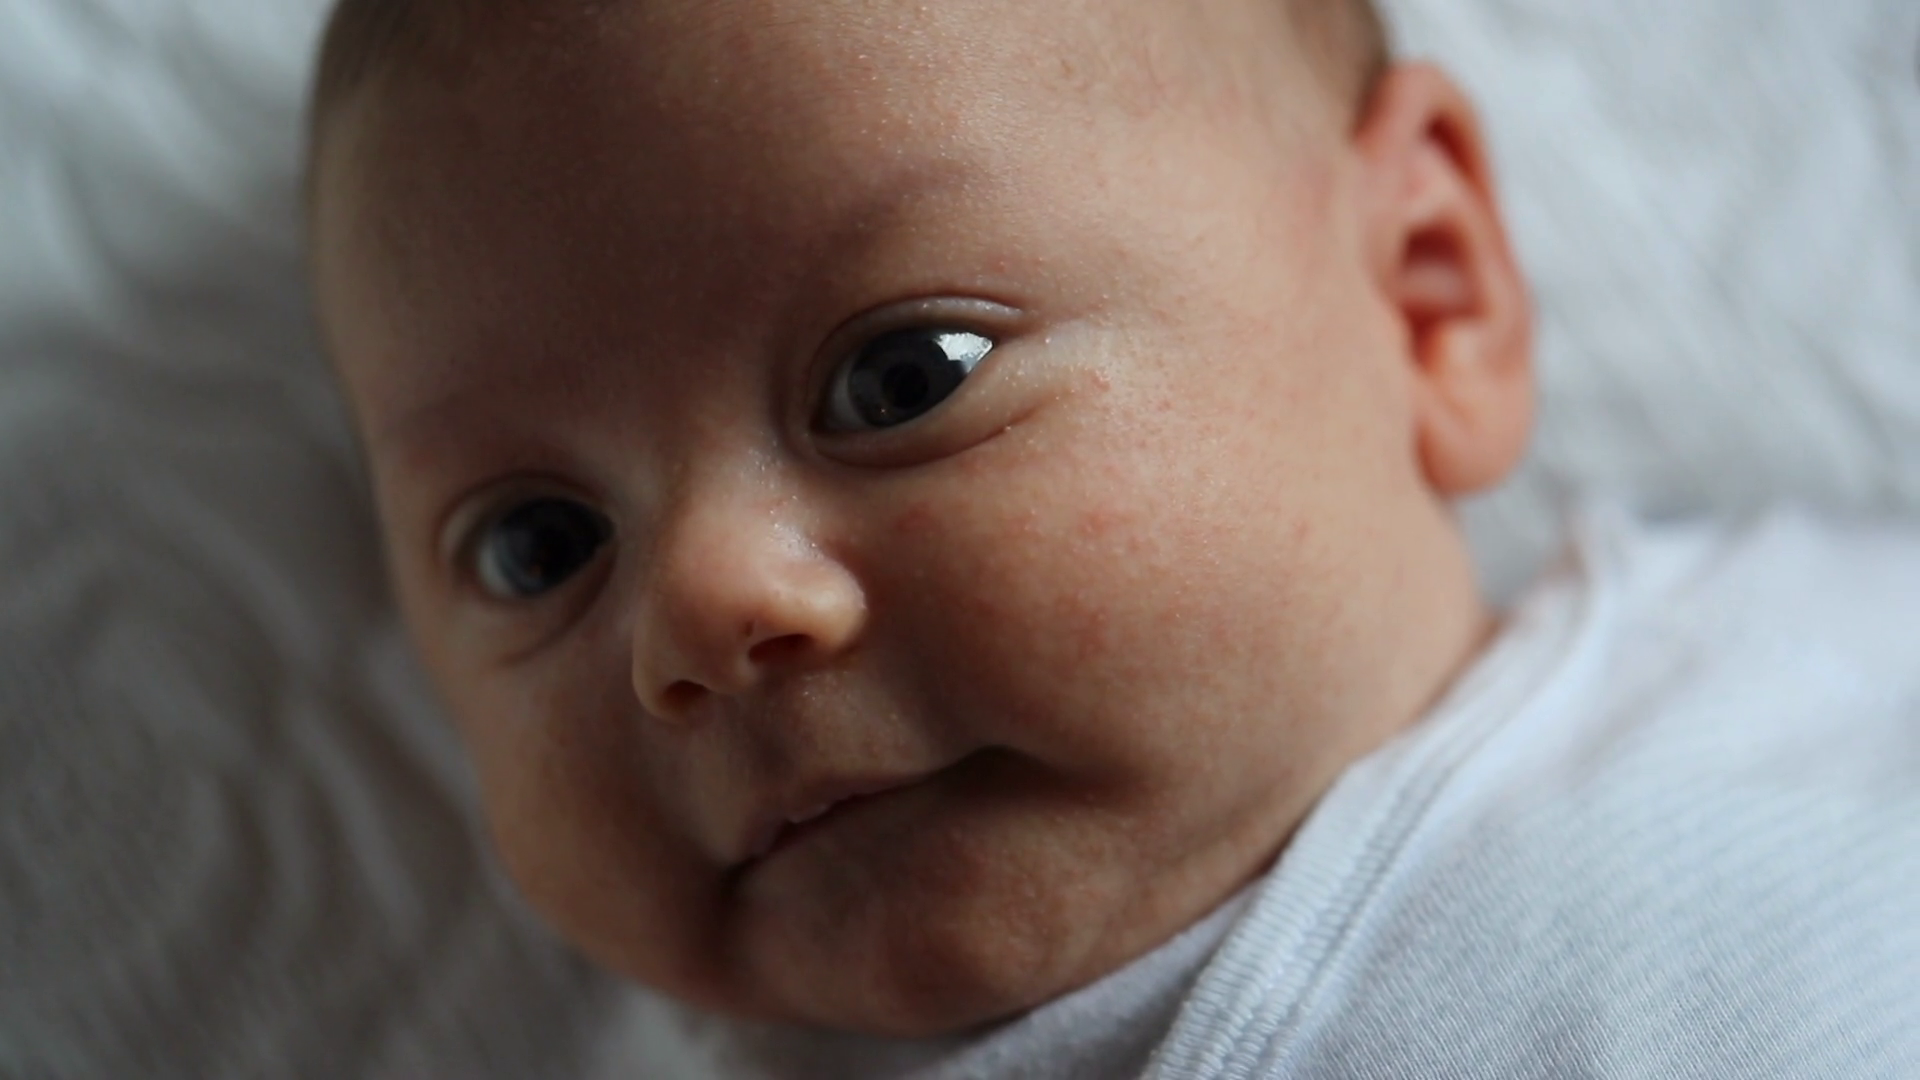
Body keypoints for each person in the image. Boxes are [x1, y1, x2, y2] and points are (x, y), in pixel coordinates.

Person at [304, 0, 1920, 1075]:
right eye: (538, 545)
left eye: (901, 376)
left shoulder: (1788, 665)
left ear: (1427, 299)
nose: (701, 608)